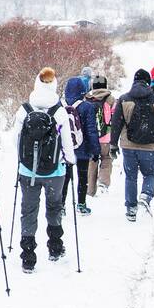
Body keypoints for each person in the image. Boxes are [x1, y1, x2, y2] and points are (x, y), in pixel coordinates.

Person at [15, 67, 78, 273]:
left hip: (28, 172)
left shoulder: (24, 110)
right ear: (54, 85)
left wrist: (23, 162)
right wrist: (70, 160)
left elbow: (17, 140)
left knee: (28, 210)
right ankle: (55, 248)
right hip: (55, 171)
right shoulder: (59, 111)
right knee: (54, 207)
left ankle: (28, 257)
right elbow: (67, 141)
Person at [110, 68, 154, 221]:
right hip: (150, 147)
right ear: (148, 82)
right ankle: (145, 195)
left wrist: (113, 144)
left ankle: (131, 210)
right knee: (150, 174)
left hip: (128, 146)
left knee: (130, 177)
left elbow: (116, 123)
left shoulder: (124, 99)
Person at [67, 74, 102, 215]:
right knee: (82, 178)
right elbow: (91, 130)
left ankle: (61, 206)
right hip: (83, 148)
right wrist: (96, 150)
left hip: (66, 149)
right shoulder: (87, 107)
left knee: (64, 179)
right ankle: (81, 204)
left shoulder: (60, 105)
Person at [85, 76, 114, 197]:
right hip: (106, 137)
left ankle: (90, 190)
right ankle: (103, 182)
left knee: (92, 162)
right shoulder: (110, 99)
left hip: (91, 138)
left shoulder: (87, 99)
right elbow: (115, 117)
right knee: (107, 158)